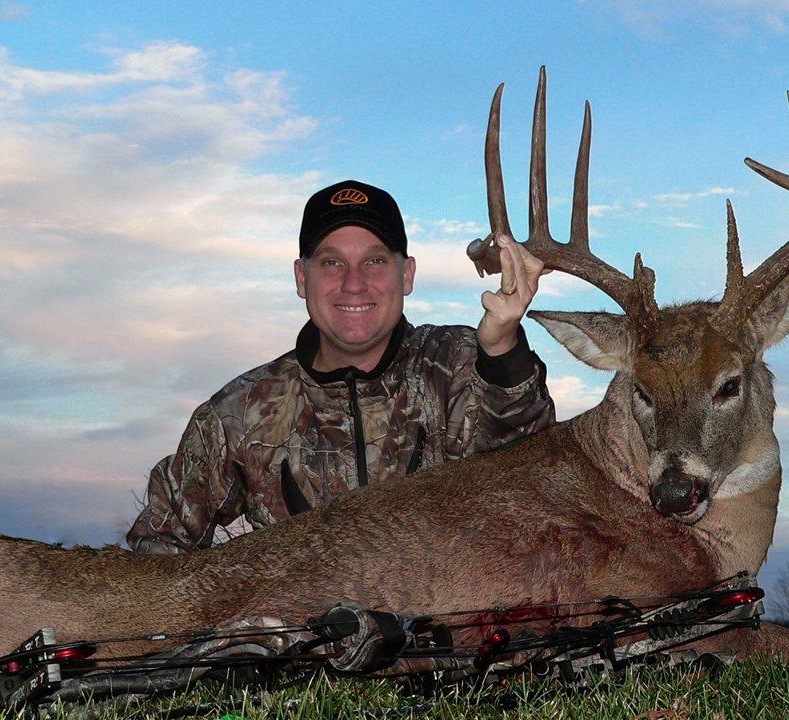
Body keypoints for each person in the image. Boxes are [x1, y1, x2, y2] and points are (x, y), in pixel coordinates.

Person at [127, 180, 554, 553]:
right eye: (332, 262)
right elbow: (160, 542)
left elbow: (533, 465)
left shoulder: (463, 361)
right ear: (301, 278)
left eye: (375, 260)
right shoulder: (243, 411)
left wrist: (503, 348)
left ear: (407, 275)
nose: (354, 283)